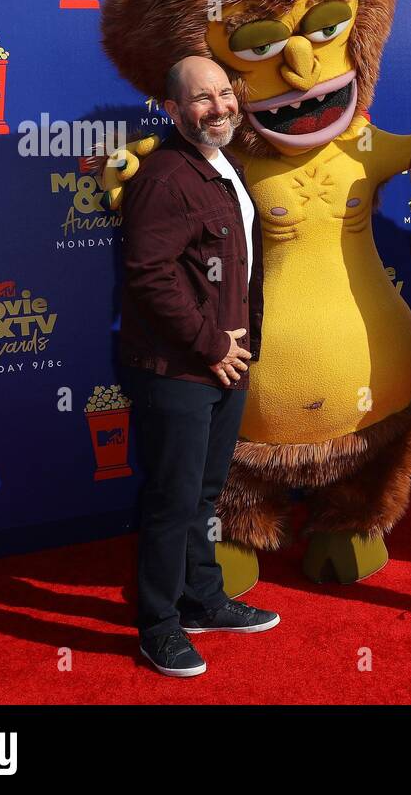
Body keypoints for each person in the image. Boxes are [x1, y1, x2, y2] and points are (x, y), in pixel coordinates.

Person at [119, 55, 278, 676]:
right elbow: (149, 277)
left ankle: (202, 600)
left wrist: (238, 346)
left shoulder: (224, 166)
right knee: (173, 499)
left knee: (204, 495)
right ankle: (158, 624)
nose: (220, 107)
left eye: (224, 93)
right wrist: (212, 344)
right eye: (202, 99)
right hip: (180, 370)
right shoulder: (164, 178)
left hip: (227, 364)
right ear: (173, 110)